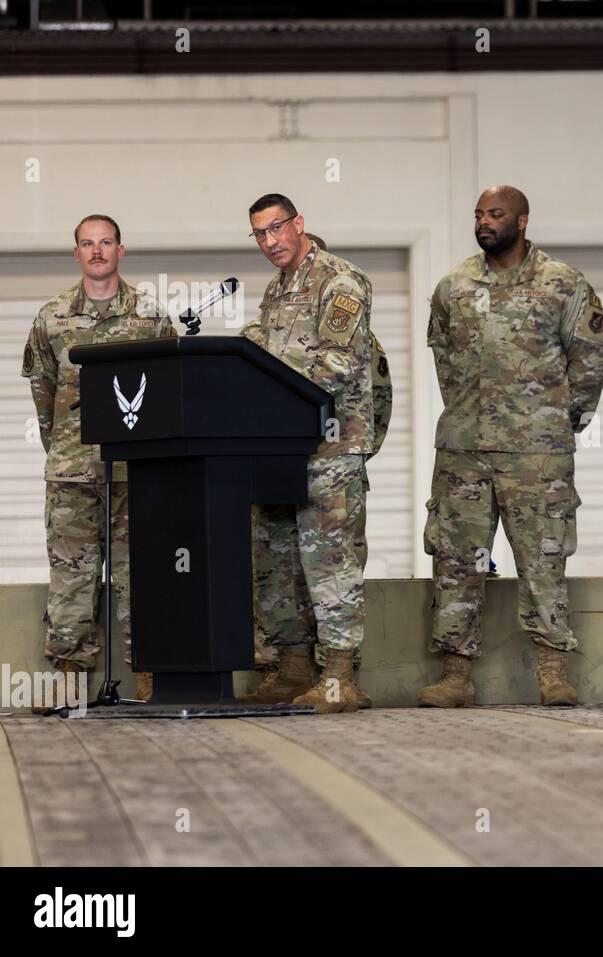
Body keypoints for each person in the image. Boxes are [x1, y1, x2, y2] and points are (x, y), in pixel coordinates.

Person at [420, 185, 603, 707]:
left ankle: (553, 672)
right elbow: (445, 360)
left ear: (522, 221)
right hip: (464, 450)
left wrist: (556, 423)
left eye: (496, 214)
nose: (484, 222)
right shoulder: (453, 287)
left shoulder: (562, 284)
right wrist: (467, 412)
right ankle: (456, 676)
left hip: (537, 454)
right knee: (457, 560)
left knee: (542, 558)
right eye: (479, 213)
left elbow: (591, 360)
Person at [21, 214, 175, 704]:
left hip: (136, 473)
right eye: (87, 244)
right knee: (72, 575)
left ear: (120, 250)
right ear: (76, 254)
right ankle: (69, 677)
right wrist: (66, 449)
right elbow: (43, 399)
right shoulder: (52, 317)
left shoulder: (151, 317)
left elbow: (168, 394)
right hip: (72, 473)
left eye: (105, 242)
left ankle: (151, 673)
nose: (97, 251)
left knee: (142, 573)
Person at [241, 195, 373, 713]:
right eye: (259, 234)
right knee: (277, 563)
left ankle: (340, 679)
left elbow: (338, 363)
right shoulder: (277, 290)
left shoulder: (340, 281)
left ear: (299, 224)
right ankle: (295, 669)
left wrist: (265, 370)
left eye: (277, 228)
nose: (270, 241)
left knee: (330, 563)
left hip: (331, 448)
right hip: (280, 447)